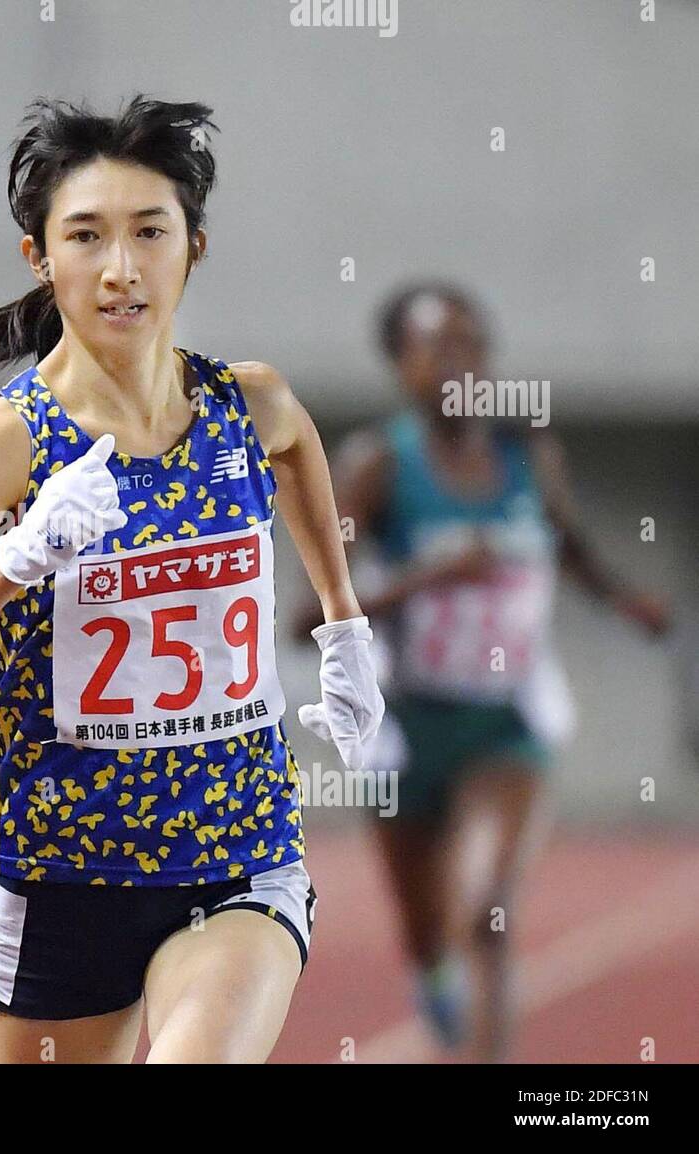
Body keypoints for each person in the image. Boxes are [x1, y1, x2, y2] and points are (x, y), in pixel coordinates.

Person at [0, 96, 384, 1063]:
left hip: (240, 850)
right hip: (61, 872)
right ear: (39, 258)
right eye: (87, 236)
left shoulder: (248, 402)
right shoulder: (5, 445)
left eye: (151, 232)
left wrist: (344, 623)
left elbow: (298, 451)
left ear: (193, 244)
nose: (121, 268)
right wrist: (12, 566)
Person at [307, 281, 671, 1060]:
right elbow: (305, 620)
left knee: (487, 915)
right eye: (437, 349)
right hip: (405, 727)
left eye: (473, 347)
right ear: (399, 366)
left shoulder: (528, 456)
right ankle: (435, 980)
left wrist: (624, 599)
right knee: (427, 933)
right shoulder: (377, 469)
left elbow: (567, 546)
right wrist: (423, 579)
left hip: (507, 720)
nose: (458, 365)